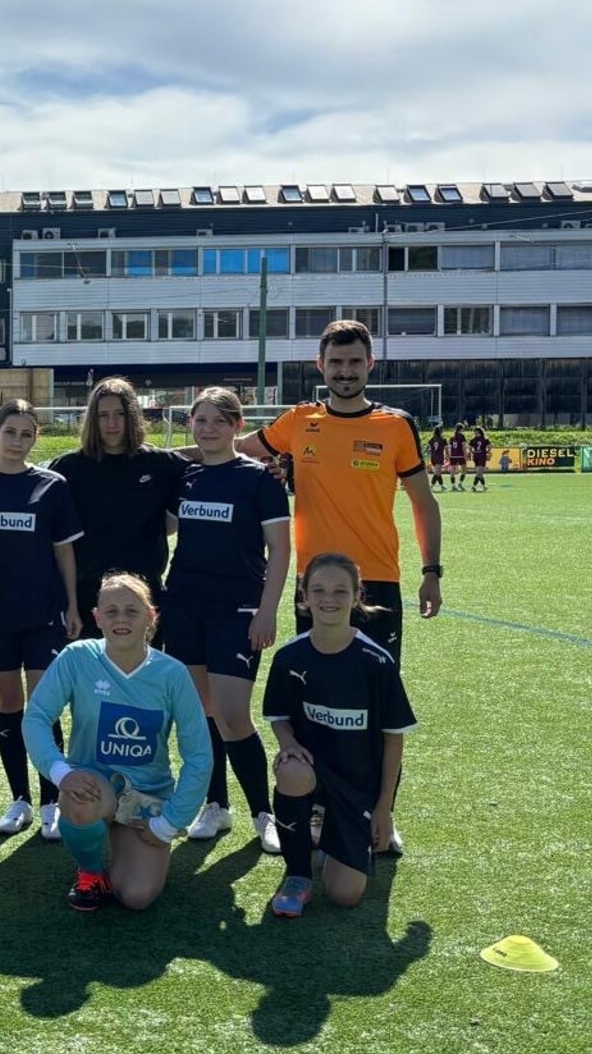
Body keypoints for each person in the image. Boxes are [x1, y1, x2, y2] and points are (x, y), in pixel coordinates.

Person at [240, 319, 440, 856]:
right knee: (317, 705)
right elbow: (232, 450)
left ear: (370, 365)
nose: (345, 372)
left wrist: (431, 570)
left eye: (355, 363)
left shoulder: (396, 425)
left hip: (377, 582)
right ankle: (321, 809)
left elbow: (423, 502)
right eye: (336, 363)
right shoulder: (297, 422)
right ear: (320, 367)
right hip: (316, 586)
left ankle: (381, 814)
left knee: (376, 706)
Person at [23, 573, 211, 913]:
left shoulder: (173, 674)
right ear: (96, 616)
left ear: (151, 617)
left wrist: (169, 822)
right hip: (94, 787)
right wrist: (61, 772)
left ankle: (118, 841)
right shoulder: (77, 658)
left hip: (146, 799)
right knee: (79, 800)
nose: (121, 619)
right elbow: (36, 717)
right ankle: (91, 871)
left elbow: (199, 756)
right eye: (111, 611)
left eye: (131, 611)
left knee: (137, 897)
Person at [165, 387, 291, 853]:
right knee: (200, 714)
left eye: (220, 421)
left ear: (238, 427)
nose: (209, 429)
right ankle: (216, 806)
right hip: (182, 606)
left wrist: (267, 610)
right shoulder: (185, 476)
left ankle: (264, 812)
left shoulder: (259, 479)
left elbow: (280, 549)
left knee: (235, 716)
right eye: (201, 420)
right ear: (191, 424)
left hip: (236, 610)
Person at [261, 554, 416, 918]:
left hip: (357, 785)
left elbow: (394, 738)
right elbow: (278, 716)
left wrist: (383, 809)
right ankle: (298, 875)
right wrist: (289, 744)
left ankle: (340, 838)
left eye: (339, 591)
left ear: (356, 595)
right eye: (318, 590)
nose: (328, 599)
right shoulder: (289, 656)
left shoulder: (375, 662)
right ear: (304, 596)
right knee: (291, 770)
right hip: (313, 775)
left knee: (345, 895)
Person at [0, 398, 83, 839]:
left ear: (36, 438)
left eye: (27, 434)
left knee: (43, 706)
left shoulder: (52, 485)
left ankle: (51, 801)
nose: (17, 441)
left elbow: (64, 550)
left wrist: (71, 603)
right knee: (8, 705)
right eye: (10, 432)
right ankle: (20, 801)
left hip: (44, 612)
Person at [47, 376, 182, 623]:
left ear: (132, 416)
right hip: (87, 592)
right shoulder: (69, 468)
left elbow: (212, 460)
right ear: (92, 419)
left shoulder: (161, 464)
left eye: (119, 414)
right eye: (103, 415)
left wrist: (274, 469)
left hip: (143, 593)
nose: (112, 423)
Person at [469, 427, 490, 492]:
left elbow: (470, 448)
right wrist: (487, 451)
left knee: (479, 472)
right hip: (482, 455)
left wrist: (472, 452)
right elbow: (490, 446)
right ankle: (473, 486)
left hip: (475, 455)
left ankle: (484, 486)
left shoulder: (473, 439)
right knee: (479, 472)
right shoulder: (485, 439)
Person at [426, 426, 447, 491]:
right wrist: (448, 455)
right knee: (437, 472)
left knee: (438, 472)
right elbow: (446, 448)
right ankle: (431, 486)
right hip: (439, 457)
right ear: (440, 431)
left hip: (433, 457)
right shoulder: (443, 439)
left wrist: (429, 453)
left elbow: (428, 448)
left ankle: (442, 485)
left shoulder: (432, 439)